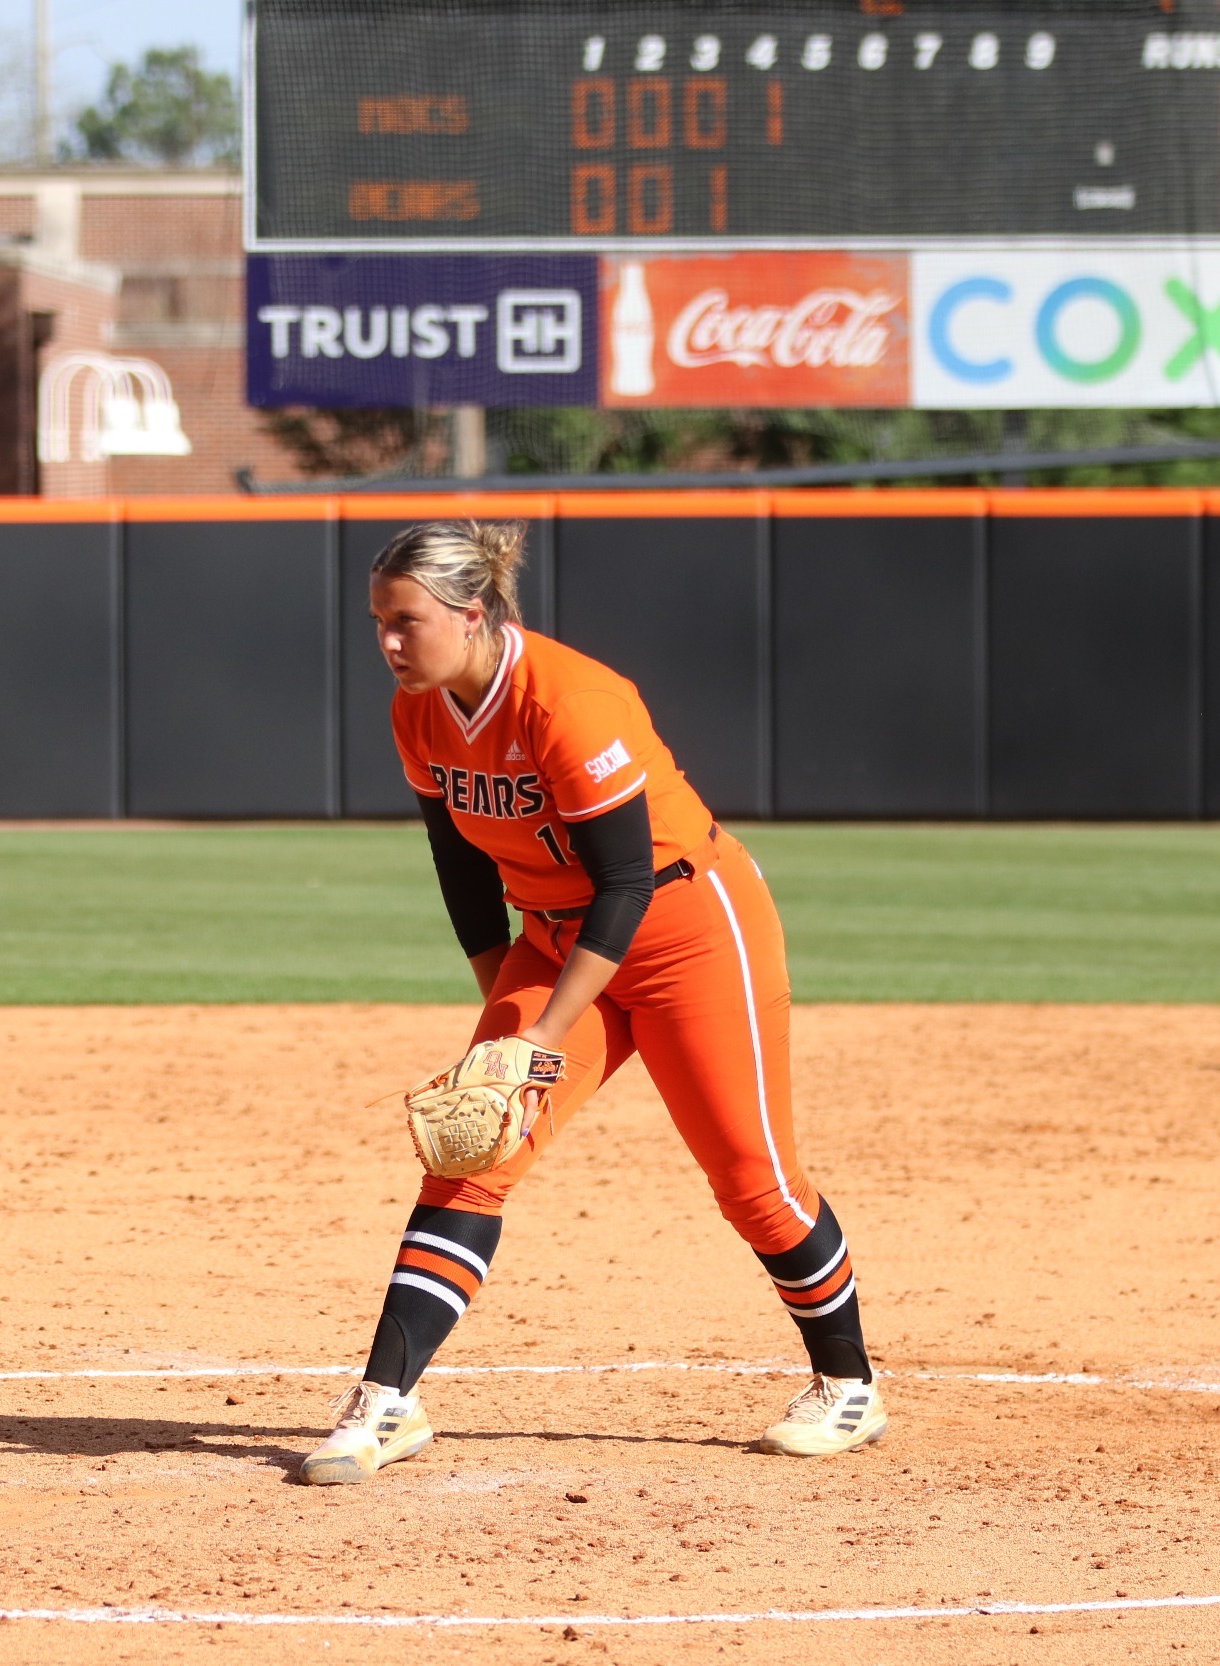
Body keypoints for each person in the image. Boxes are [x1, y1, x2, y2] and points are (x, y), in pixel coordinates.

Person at [302, 520, 886, 1485]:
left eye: (406, 621)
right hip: (555, 941)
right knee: (474, 1151)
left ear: (472, 613)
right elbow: (461, 871)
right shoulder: (420, 714)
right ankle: (385, 1403)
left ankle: (848, 1385)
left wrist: (542, 1032)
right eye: (378, 622)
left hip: (688, 931)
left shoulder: (570, 702)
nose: (389, 642)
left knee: (752, 1179)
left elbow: (626, 881)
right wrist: (504, 1018)